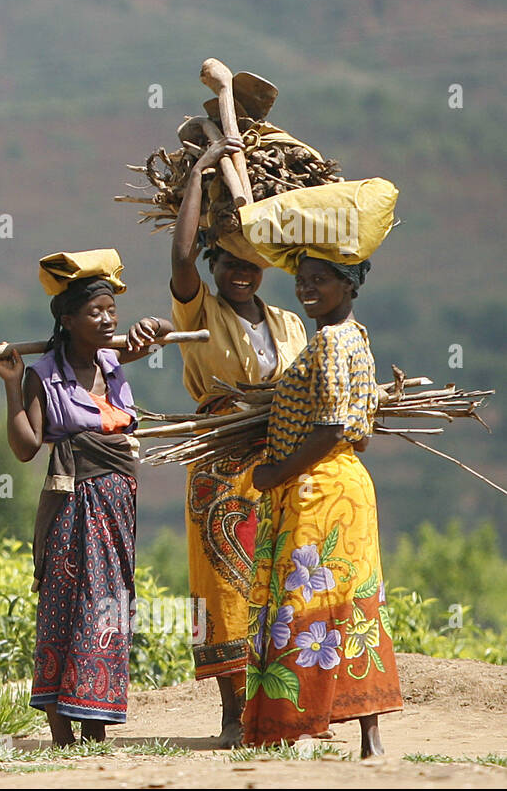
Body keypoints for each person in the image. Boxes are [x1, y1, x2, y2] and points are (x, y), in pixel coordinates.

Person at [164, 137, 308, 748]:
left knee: (285, 577)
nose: (241, 274)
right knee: (225, 581)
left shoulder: (290, 324)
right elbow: (178, 259)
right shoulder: (200, 312)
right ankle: (232, 712)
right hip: (221, 458)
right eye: (229, 264)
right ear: (214, 266)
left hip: (282, 457)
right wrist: (198, 173)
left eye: (252, 265)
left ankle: (286, 708)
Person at [0, 249, 167, 746]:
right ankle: (61, 731)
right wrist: (11, 386)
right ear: (67, 321)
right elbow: (26, 447)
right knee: (68, 605)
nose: (108, 319)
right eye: (95, 312)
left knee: (109, 605)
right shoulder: (42, 375)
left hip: (117, 507)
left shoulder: (113, 363)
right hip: (73, 506)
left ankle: (97, 725)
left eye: (112, 310)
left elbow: (160, 330)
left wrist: (152, 323)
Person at [244, 252, 402, 757]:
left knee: (305, 603)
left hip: (319, 489)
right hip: (348, 484)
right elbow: (361, 434)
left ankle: (291, 726)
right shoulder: (358, 336)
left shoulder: (332, 342)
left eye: (321, 281)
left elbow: (331, 427)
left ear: (349, 286)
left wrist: (274, 474)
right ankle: (369, 737)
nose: (307, 289)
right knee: (350, 607)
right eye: (302, 280)